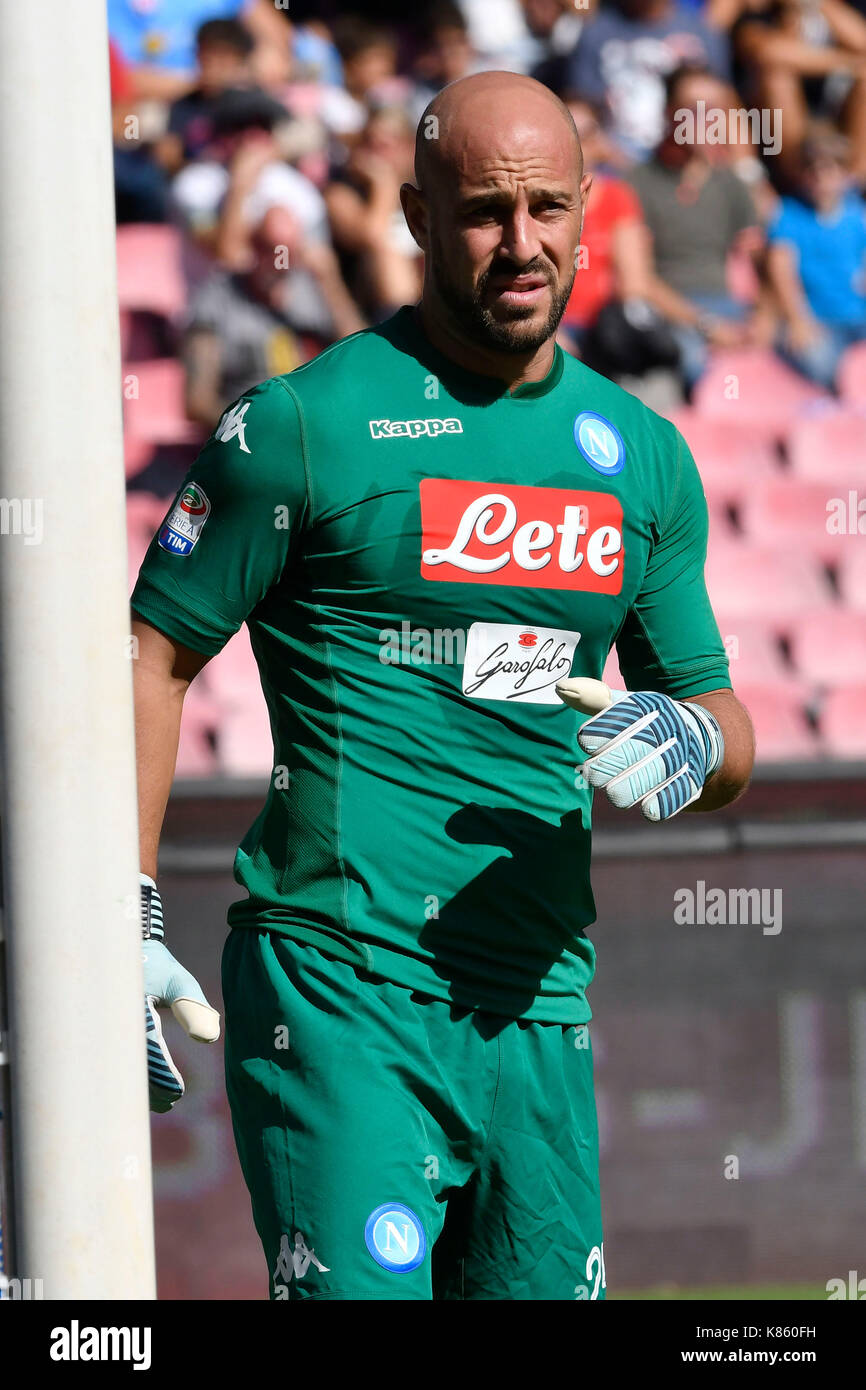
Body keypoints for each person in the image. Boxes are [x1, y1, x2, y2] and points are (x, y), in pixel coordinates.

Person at [131, 70, 755, 1302]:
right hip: (338, 982)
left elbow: (723, 721)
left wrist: (689, 742)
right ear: (416, 220)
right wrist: (121, 907)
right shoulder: (305, 425)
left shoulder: (640, 457)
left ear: (589, 211)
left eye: (543, 210)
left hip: (537, 998)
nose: (517, 245)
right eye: (480, 212)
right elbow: (150, 654)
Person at [628, 63, 766, 393]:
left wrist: (766, 316)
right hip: (670, 314)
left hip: (730, 307)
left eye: (715, 110)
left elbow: (765, 263)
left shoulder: (731, 183)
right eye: (693, 109)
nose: (705, 120)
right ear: (668, 113)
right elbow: (639, 278)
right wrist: (706, 325)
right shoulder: (637, 183)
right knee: (694, 363)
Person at [183, 205, 365, 431]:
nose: (279, 262)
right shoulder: (216, 300)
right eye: (270, 249)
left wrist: (331, 282)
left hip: (311, 422)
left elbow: (361, 359)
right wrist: (257, 428)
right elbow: (198, 402)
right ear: (252, 245)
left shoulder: (311, 290)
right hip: (246, 428)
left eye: (289, 252)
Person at [566, 0, 732, 161]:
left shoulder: (702, 32)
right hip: (614, 158)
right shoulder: (595, 31)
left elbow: (727, 105)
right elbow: (583, 105)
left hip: (682, 157)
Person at [767, 124, 866, 386]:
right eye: (813, 171)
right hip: (817, 320)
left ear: (846, 175)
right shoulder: (789, 215)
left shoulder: (857, 216)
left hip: (858, 317)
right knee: (820, 365)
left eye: (831, 170)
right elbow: (782, 272)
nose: (821, 179)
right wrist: (798, 320)